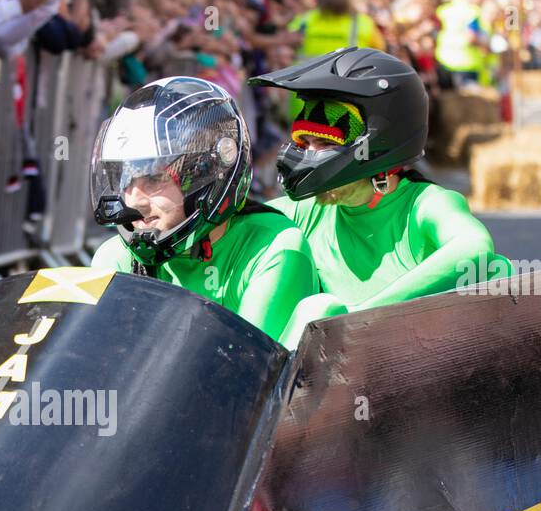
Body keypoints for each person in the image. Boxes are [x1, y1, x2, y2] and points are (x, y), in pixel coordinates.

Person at [252, 46, 509, 350]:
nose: (306, 155)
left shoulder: (424, 204)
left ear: (375, 143)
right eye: (303, 142)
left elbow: (474, 247)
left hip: (411, 373)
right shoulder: (301, 212)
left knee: (498, 270)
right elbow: (238, 228)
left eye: (323, 142)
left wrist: (359, 317)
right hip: (320, 384)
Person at [89, 76, 319, 344]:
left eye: (153, 179)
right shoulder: (114, 258)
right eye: (125, 180)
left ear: (209, 176)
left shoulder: (274, 249)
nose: (134, 201)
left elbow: (248, 375)